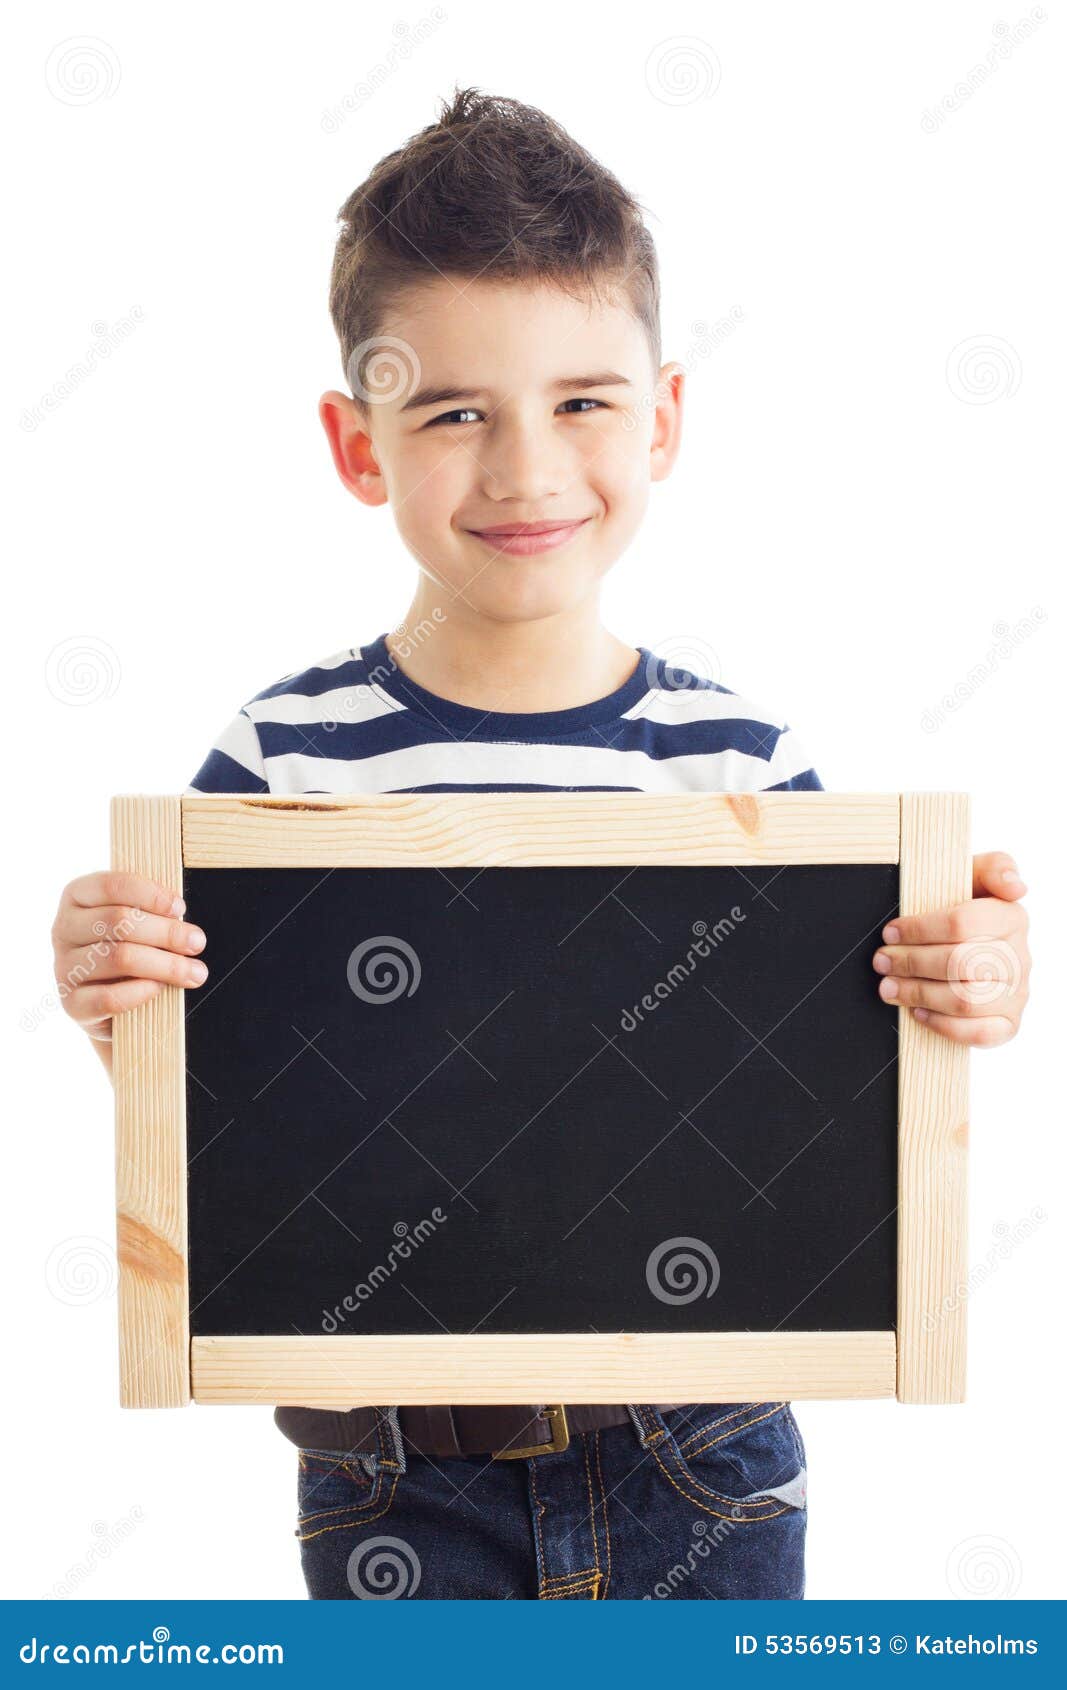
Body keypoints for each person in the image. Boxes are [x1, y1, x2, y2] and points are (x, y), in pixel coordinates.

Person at [50, 87, 1031, 1600]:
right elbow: (224, 1110)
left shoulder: (746, 767)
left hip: (705, 1460)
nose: (524, 471)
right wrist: (116, 997)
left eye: (583, 400)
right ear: (357, 441)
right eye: (453, 411)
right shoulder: (277, 766)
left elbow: (846, 1079)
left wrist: (968, 990)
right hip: (394, 1467)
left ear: (667, 419)